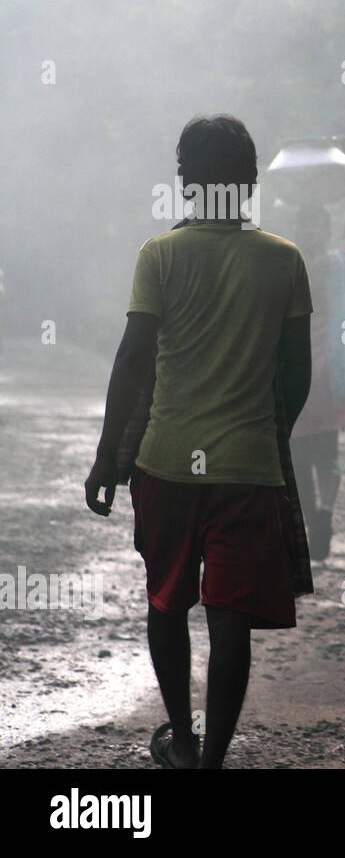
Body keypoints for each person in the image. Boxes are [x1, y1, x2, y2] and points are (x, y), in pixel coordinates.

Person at [84, 115, 313, 769]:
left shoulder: (160, 256)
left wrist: (107, 457)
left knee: (167, 600)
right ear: (250, 180)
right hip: (247, 469)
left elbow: (133, 362)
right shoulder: (284, 260)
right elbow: (295, 377)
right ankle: (213, 760)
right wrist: (268, 435)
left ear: (186, 181)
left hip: (166, 465)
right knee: (230, 615)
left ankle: (181, 739)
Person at [289, 137, 345, 562]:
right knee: (328, 453)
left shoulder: (286, 263)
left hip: (298, 377)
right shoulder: (340, 263)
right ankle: (324, 513)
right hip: (333, 373)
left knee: (299, 453)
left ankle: (310, 525)